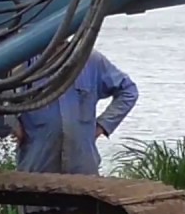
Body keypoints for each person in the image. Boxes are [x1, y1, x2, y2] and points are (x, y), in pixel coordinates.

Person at [11, 49, 139, 176]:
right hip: (36, 168)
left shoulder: (90, 60)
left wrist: (103, 126)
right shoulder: (21, 63)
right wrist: (12, 125)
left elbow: (128, 91)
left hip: (83, 169)